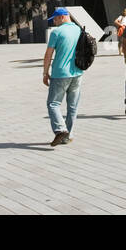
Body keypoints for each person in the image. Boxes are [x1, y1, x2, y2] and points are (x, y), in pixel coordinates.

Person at [42, 8, 84, 146]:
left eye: (55, 19)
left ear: (62, 17)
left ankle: (60, 129)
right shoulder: (79, 30)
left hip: (60, 73)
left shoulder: (57, 32)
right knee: (72, 107)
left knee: (53, 104)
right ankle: (68, 136)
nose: (54, 22)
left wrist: (45, 72)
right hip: (77, 73)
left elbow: (48, 54)